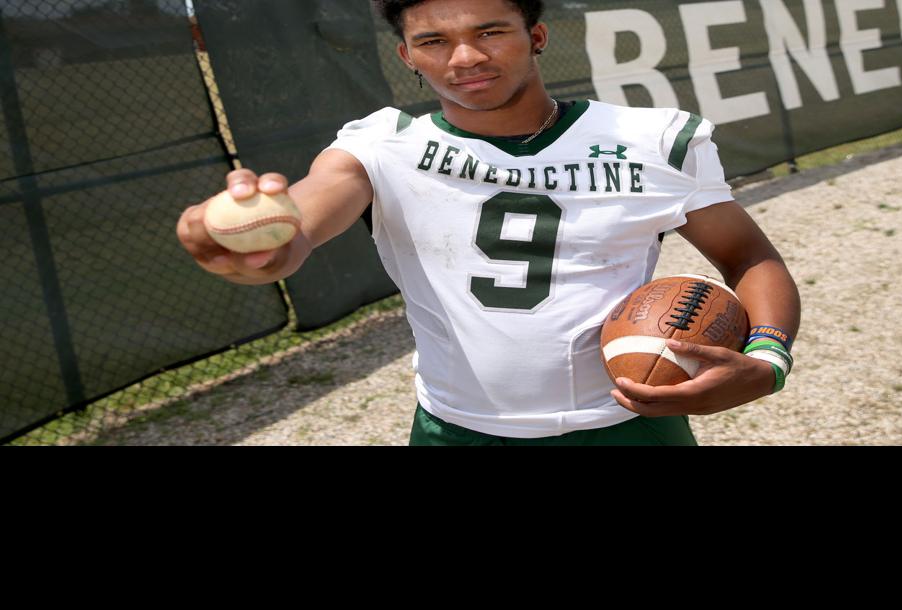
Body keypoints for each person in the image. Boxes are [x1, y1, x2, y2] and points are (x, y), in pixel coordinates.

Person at [176, 0, 801, 446]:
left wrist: (768, 358)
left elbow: (749, 257)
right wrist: (262, 243)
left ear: (536, 36)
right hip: (455, 428)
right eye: (433, 42)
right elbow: (303, 224)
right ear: (407, 55)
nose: (465, 58)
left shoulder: (652, 140)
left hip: (627, 422)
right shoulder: (380, 146)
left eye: (491, 31)